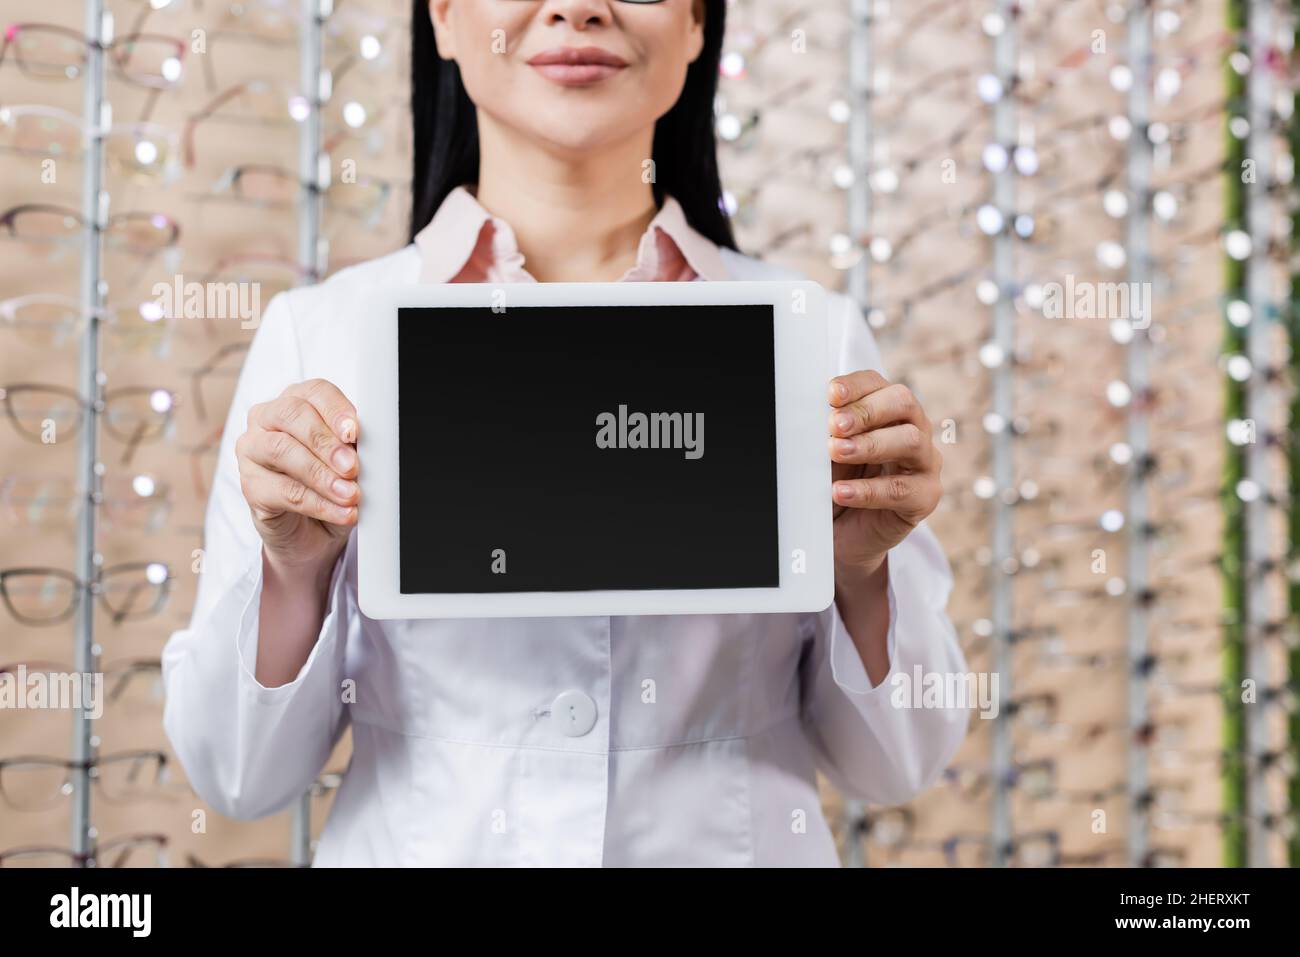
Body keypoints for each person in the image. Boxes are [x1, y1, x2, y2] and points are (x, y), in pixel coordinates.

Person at [162, 0, 969, 866]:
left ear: (698, 24)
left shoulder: (813, 338)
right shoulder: (319, 336)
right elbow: (239, 774)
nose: (579, 6)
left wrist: (861, 571)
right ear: (442, 17)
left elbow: (898, 763)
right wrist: (295, 574)